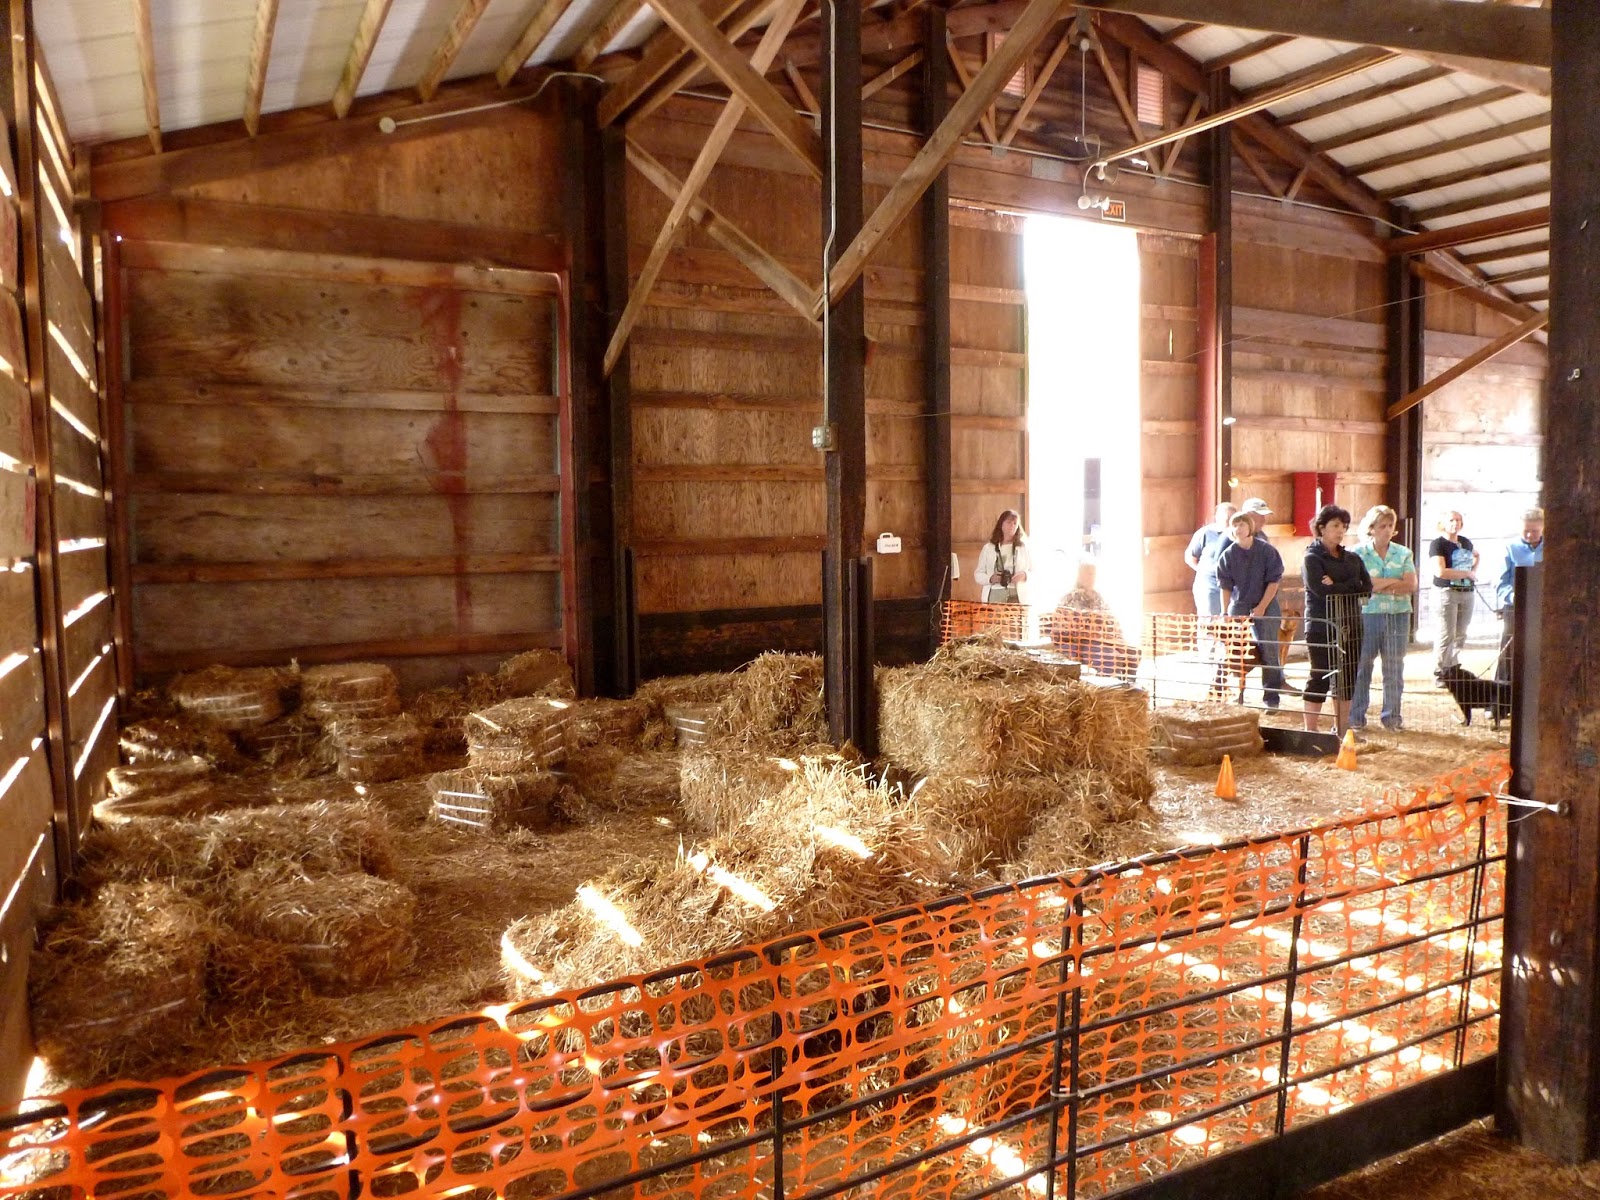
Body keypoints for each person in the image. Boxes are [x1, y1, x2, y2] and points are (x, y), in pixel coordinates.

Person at [1303, 504, 1373, 737]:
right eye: (1334, 526)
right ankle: (1310, 731)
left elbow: (1366, 588)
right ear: (1321, 528)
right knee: (1321, 674)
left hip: (1351, 623)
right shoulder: (1312, 558)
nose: (1340, 531)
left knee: (1347, 677)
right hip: (1322, 624)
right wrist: (1351, 586)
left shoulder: (1352, 558)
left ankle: (1343, 730)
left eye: (1343, 526)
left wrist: (1338, 585)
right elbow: (1319, 591)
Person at [1350, 505, 1417, 732]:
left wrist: (1379, 585)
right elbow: (1362, 585)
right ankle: (1356, 717)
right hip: (1367, 615)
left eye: (1390, 526)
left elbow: (1411, 585)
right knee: (1362, 666)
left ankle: (1392, 717)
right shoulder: (1357, 554)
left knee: (1394, 667)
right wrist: (1391, 584)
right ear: (1372, 528)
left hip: (1398, 615)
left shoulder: (1404, 553)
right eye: (1382, 526)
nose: (1387, 530)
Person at [1214, 511, 1288, 708]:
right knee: (1232, 650)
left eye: (1242, 524)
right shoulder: (1228, 555)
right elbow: (1225, 586)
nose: (1238, 528)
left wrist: (1262, 606)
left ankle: (1271, 698)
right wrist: (1224, 613)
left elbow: (1274, 581)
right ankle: (1231, 694)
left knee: (1269, 649)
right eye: (1235, 525)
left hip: (1266, 601)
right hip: (1240, 602)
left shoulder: (1266, 551)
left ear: (1250, 527)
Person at [1051, 560, 1139, 681]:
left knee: (1133, 652)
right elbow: (1068, 625)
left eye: (1093, 574)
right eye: (1088, 574)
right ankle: (1109, 687)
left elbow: (1109, 617)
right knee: (1109, 657)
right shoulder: (1071, 597)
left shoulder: (1098, 597)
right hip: (1082, 640)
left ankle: (1128, 688)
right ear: (1079, 575)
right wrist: (1093, 629)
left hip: (1103, 637)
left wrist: (1114, 634)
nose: (1091, 577)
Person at [1494, 506, 1544, 683]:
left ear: (1543, 527)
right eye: (1526, 531)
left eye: (1535, 531)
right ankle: (1499, 700)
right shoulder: (1510, 548)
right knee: (1510, 649)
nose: (1530, 535)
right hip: (1516, 608)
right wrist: (1515, 597)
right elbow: (1500, 582)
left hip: (1545, 608)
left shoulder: (1553, 547)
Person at [1429, 511, 1479, 682]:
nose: (1455, 523)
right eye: (1451, 520)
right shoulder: (1438, 544)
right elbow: (1440, 571)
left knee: (1461, 633)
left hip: (1466, 591)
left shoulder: (1465, 542)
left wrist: (1472, 572)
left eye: (1458, 520)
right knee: (1446, 633)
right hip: (1446, 592)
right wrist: (1466, 572)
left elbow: (1476, 555)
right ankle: (1440, 671)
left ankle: (1453, 668)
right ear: (1443, 522)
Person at [1184, 502, 1238, 617]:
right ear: (1217, 517)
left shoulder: (1238, 536)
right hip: (1210, 586)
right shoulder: (1206, 533)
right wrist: (1204, 572)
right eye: (1226, 519)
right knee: (1210, 622)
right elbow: (1190, 556)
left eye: (1232, 519)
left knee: (1232, 624)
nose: (1229, 523)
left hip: (1232, 587)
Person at [976, 509, 1031, 604]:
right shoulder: (989, 548)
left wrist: (1025, 575)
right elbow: (978, 574)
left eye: (1015, 523)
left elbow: (1036, 571)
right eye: (1009, 522)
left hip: (1017, 595)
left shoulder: (1023, 547)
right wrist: (991, 578)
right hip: (994, 594)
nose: (1012, 526)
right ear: (1001, 524)